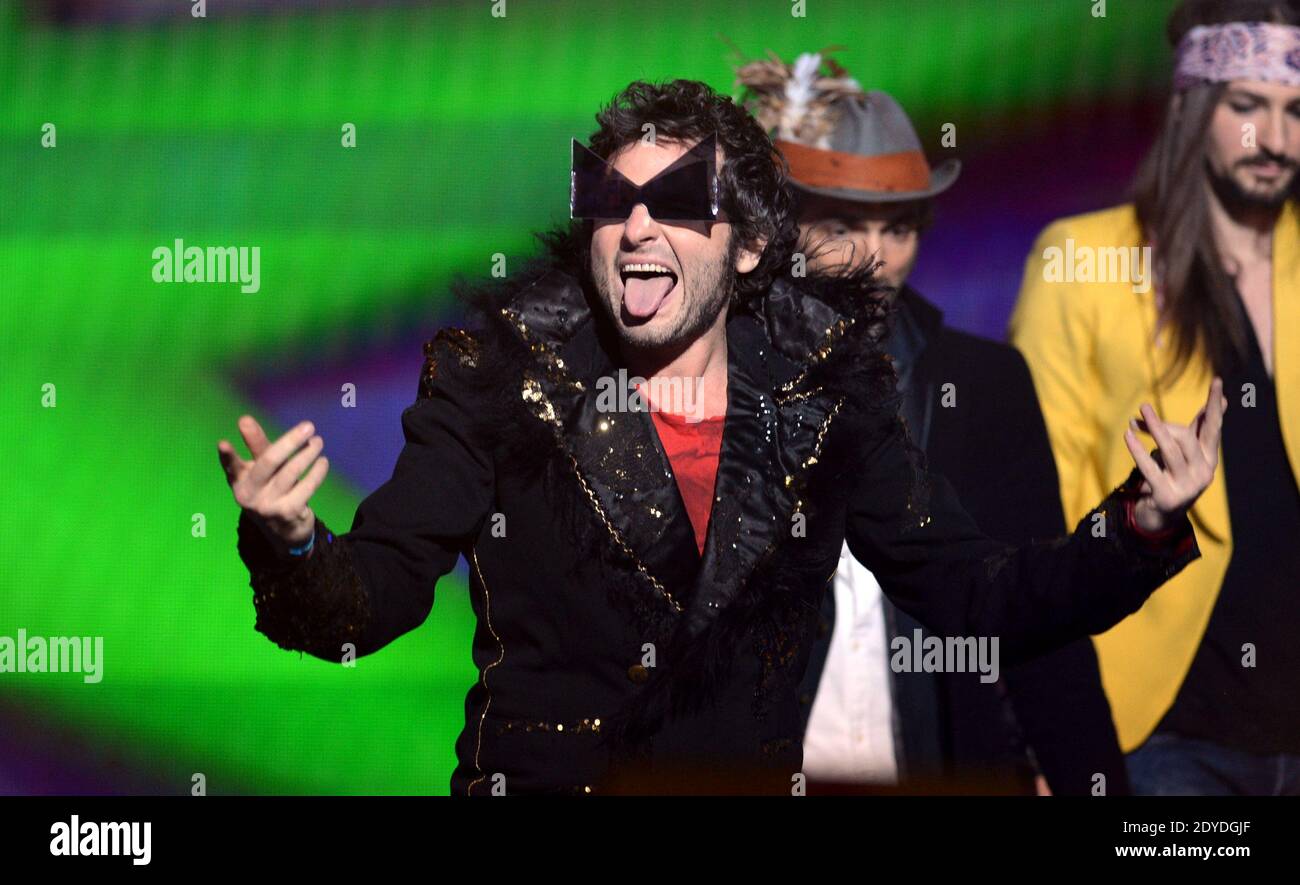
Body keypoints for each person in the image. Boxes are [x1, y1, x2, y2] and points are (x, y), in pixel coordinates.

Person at [218, 78, 1222, 796]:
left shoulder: (824, 387)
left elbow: (973, 590)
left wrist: (1136, 524)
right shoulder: (502, 380)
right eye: (611, 202)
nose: (637, 228)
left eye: (676, 204)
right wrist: (292, 541)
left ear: (746, 247)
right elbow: (367, 603)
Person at [734, 53, 1128, 795]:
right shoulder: (723, 374)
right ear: (783, 226)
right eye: (847, 223)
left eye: (901, 227)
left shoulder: (983, 386)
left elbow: (1036, 617)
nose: (878, 259)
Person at [1010, 0, 1300, 795]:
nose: (1273, 139)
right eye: (1245, 105)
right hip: (1160, 728)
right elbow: (1036, 505)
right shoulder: (1084, 258)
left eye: (1295, 110)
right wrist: (1045, 727)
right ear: (1190, 105)